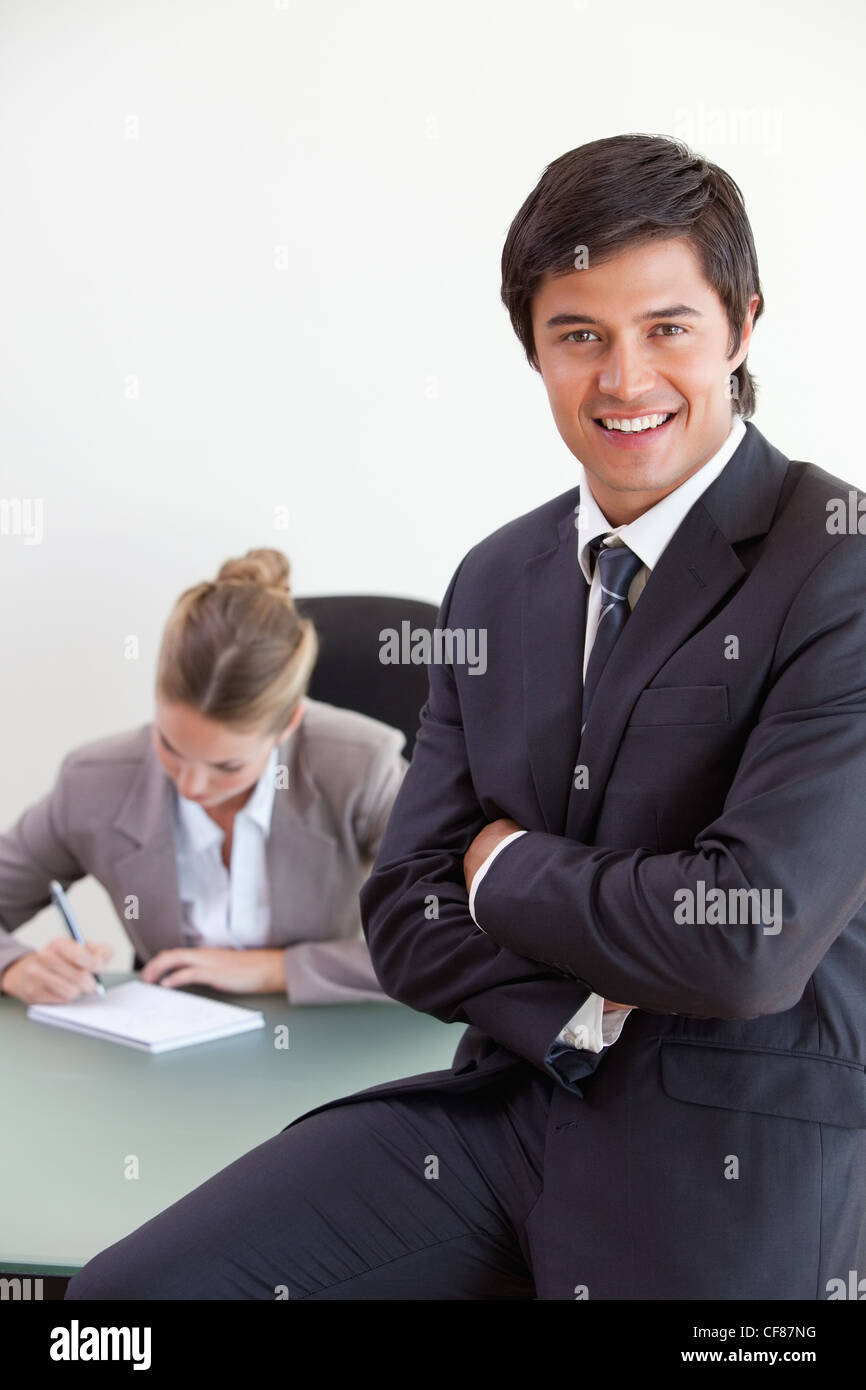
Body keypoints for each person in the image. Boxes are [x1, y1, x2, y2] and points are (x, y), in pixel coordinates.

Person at [66, 133, 866, 1301]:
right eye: (577, 335)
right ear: (533, 350)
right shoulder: (495, 578)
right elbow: (403, 905)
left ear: (741, 326)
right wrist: (578, 1006)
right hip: (508, 1102)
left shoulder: (833, 562)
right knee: (126, 1308)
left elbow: (744, 937)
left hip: (731, 1148)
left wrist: (502, 873)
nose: (624, 379)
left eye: (667, 329)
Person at [0, 548, 407, 1006]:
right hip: (167, 1047)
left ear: (289, 724)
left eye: (227, 766)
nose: (191, 787)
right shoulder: (94, 781)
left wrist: (278, 969)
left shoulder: (360, 766)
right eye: (170, 747)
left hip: (330, 1043)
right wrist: (15, 965)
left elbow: (452, 934)